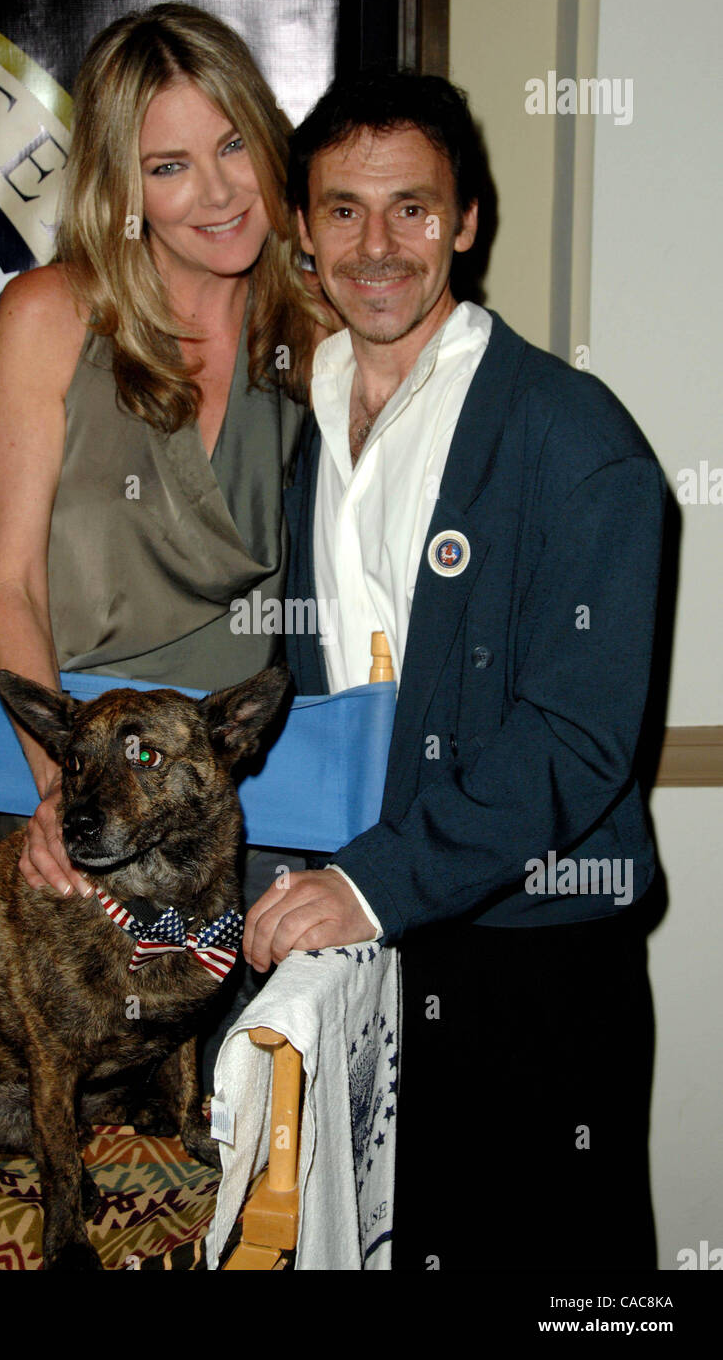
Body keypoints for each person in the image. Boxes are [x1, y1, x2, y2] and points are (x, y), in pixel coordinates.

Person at [243, 70, 665, 1270]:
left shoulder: (575, 436)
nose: (377, 247)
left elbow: (578, 739)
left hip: (529, 953)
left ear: (467, 220)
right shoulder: (304, 422)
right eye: (343, 211)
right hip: (366, 938)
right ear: (303, 229)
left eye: (413, 209)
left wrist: (372, 884)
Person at [0, 3, 321, 1089]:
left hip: (246, 803)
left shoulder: (317, 327)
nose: (219, 194)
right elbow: (9, 585)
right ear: (122, 189)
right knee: (54, 1116)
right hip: (74, 786)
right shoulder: (48, 317)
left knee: (237, 1134)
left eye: (232, 146)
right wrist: (58, 794)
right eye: (170, 166)